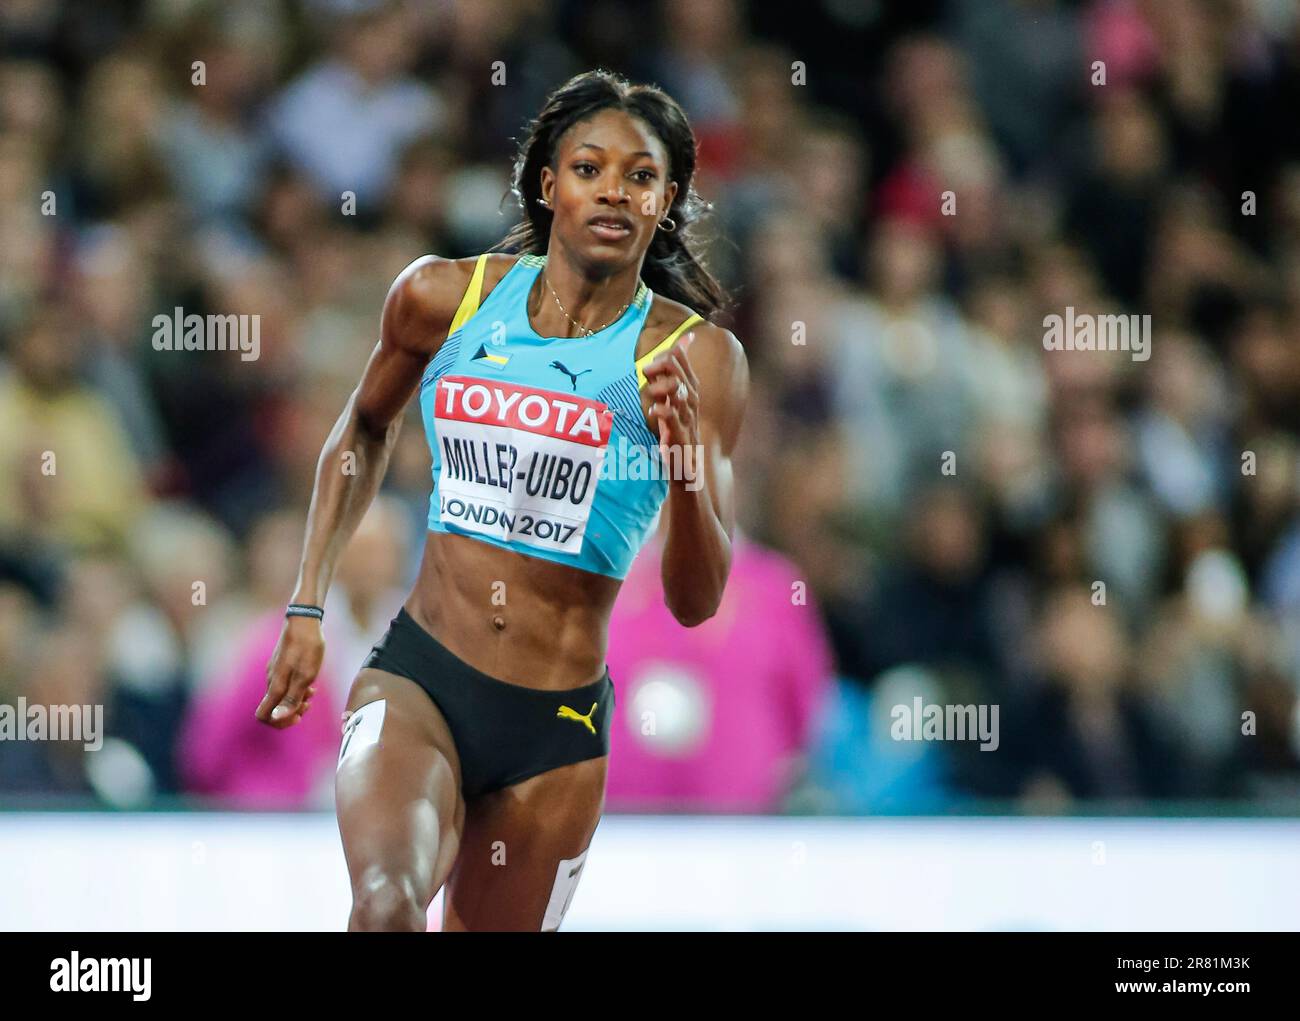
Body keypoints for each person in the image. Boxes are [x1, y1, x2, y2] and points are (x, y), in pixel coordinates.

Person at [258, 69, 749, 931]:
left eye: (640, 177)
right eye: (590, 168)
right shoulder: (446, 296)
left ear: (666, 201)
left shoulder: (694, 359)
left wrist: (684, 471)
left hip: (554, 731)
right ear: (548, 183)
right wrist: (307, 601)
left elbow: (697, 600)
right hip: (421, 679)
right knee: (384, 909)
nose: (614, 191)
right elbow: (363, 431)